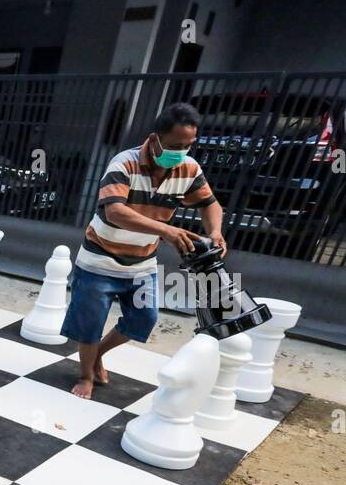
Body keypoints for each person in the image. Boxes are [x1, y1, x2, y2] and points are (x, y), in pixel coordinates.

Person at [63, 102, 227, 399]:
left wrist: (215, 231)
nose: (182, 151)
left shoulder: (189, 169)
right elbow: (114, 212)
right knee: (89, 323)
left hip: (142, 262)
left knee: (144, 318)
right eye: (176, 145)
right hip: (99, 258)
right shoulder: (124, 164)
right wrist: (165, 230)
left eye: (189, 145)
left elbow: (210, 204)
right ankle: (86, 375)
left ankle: (98, 353)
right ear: (155, 138)